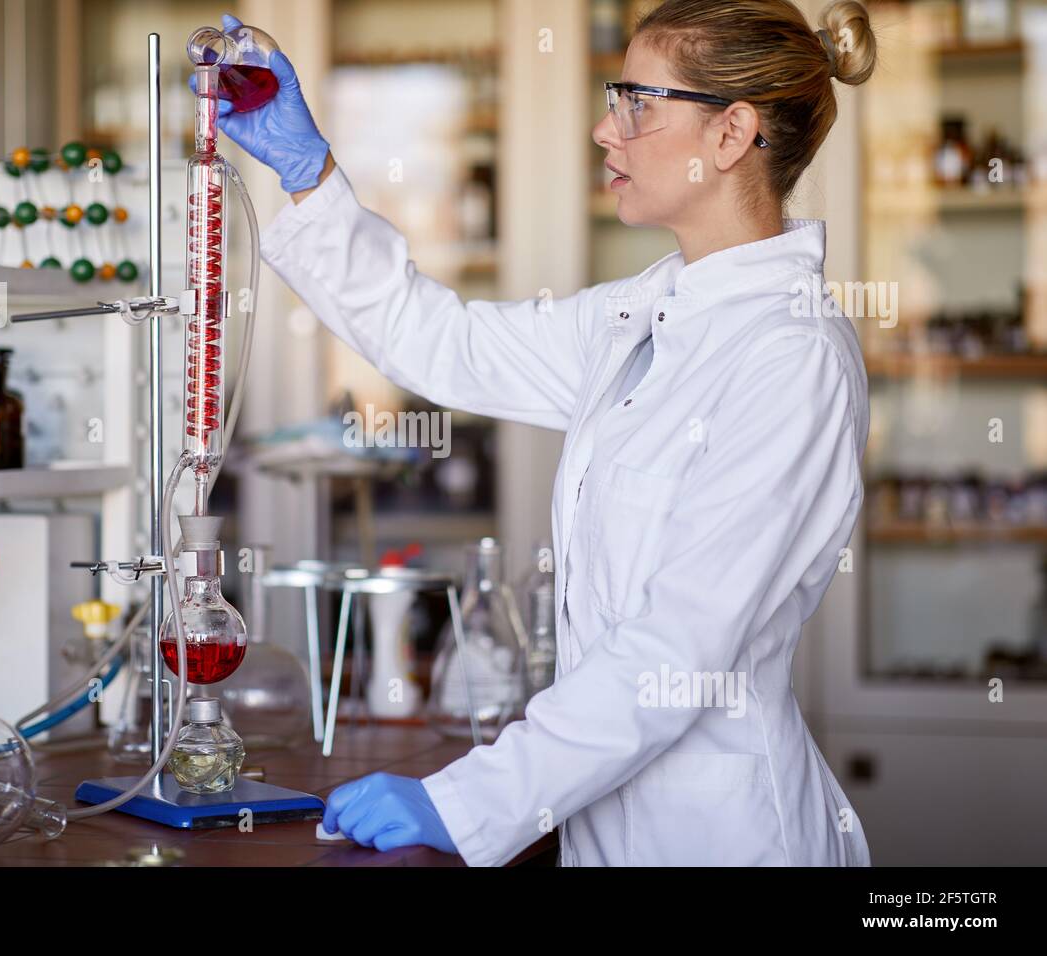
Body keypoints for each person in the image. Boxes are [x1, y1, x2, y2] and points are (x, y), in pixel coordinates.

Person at [206, 0, 877, 865]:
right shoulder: (643, 313)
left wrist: (469, 802)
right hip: (603, 826)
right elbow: (440, 342)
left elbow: (675, 649)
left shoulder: (793, 358)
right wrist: (310, 174)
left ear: (731, 133)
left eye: (637, 103)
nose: (605, 129)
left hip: (724, 840)